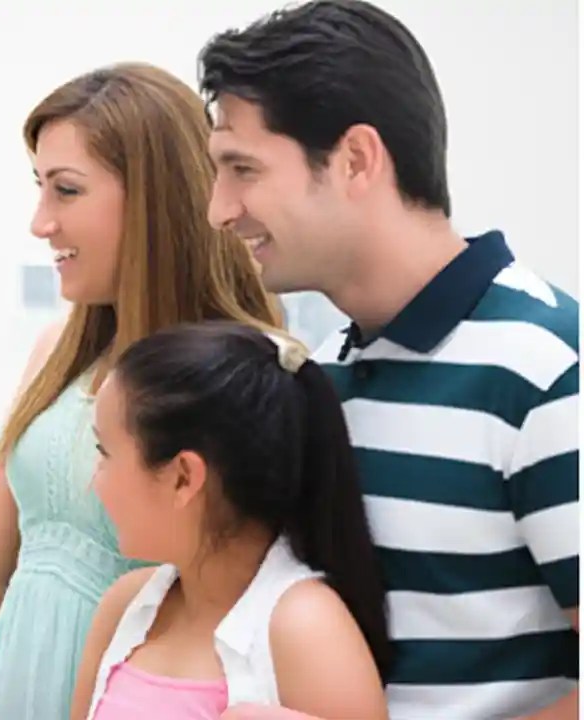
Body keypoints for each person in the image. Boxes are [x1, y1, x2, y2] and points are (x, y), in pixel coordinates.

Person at [199, 1, 579, 718]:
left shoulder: (548, 370)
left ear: (356, 160)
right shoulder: (328, 373)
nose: (220, 209)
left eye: (242, 168)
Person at [0, 63, 279, 719]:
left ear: (153, 197)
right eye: (40, 189)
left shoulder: (237, 374)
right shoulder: (55, 351)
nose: (41, 222)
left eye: (66, 191)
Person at [72, 322, 390, 720]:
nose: (93, 482)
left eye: (105, 452)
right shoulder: (124, 606)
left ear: (183, 477)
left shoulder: (306, 630)